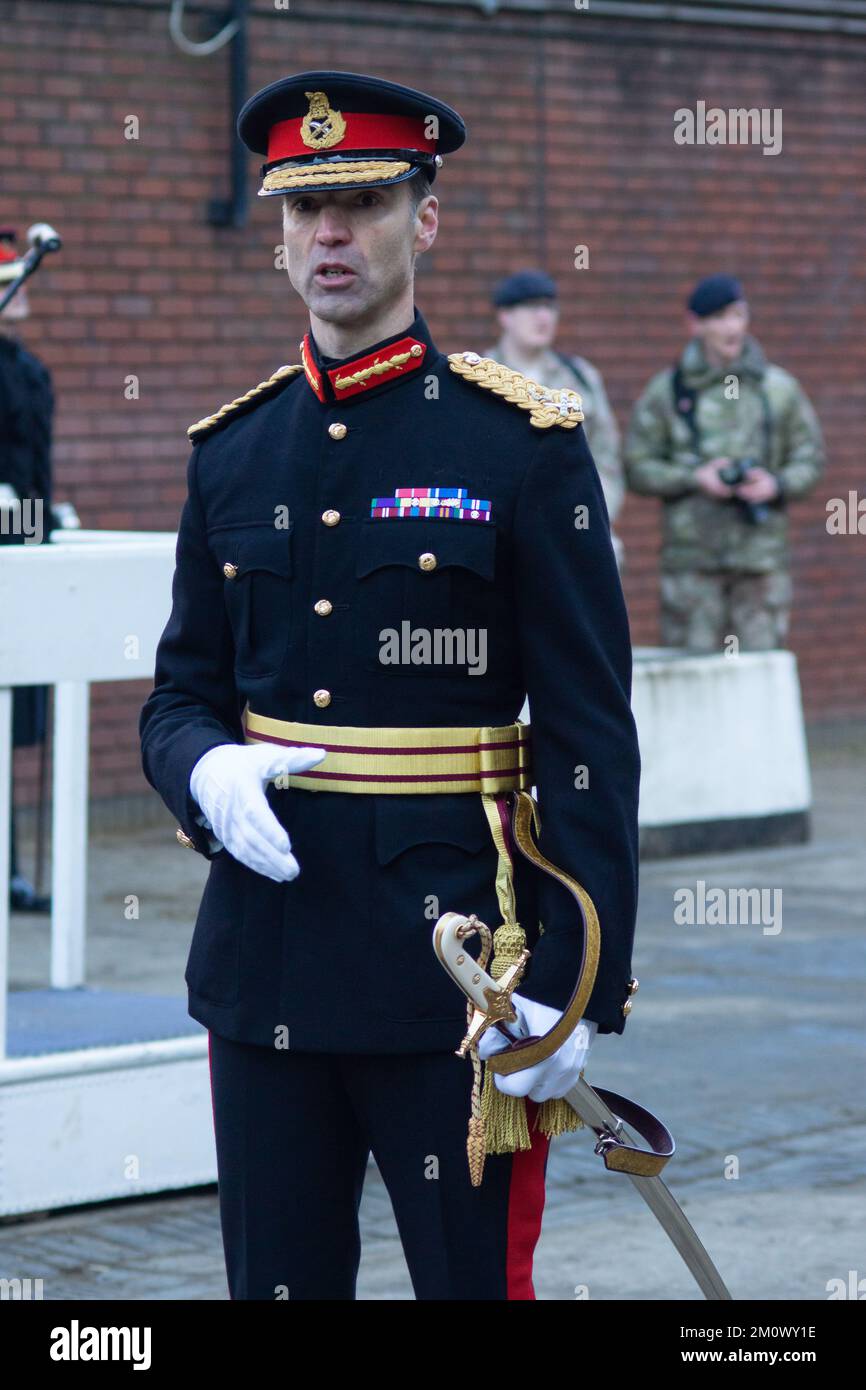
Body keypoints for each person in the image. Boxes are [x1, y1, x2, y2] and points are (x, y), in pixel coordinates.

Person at [139, 71, 640, 1301]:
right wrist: (202, 767)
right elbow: (178, 695)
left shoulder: (518, 442)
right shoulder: (230, 454)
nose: (328, 234)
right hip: (267, 964)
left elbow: (584, 733)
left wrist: (573, 984)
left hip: (462, 974)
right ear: (276, 237)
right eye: (303, 209)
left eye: (360, 202)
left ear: (422, 219)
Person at [624, 273, 824, 652]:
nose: (731, 327)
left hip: (760, 564)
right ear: (695, 324)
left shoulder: (778, 390)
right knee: (692, 681)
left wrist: (774, 485)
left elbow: (810, 460)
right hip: (693, 567)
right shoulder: (668, 392)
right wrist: (694, 478)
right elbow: (636, 466)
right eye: (718, 318)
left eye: (738, 315)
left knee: (761, 683)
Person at [486, 269, 625, 567]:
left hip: (576, 532)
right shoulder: (479, 377)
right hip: (503, 538)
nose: (544, 317)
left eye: (550, 307)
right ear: (505, 316)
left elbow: (606, 458)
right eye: (531, 307)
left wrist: (594, 516)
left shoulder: (581, 377)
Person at [0, 227, 53, 913]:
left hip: (21, 555)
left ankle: (9, 866)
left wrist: (38, 526)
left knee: (10, 722)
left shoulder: (27, 369)